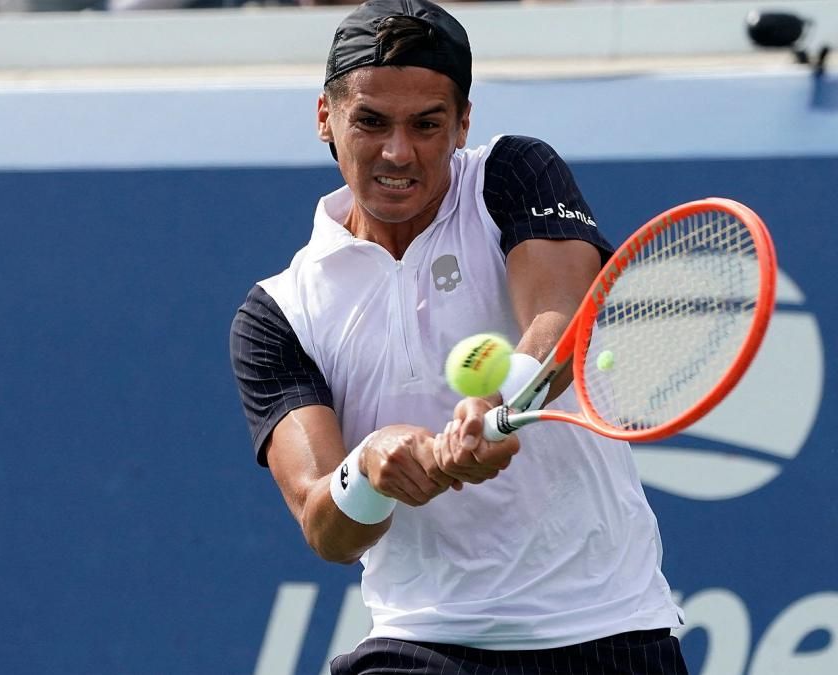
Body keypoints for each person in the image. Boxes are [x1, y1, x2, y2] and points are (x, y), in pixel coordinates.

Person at [230, 0, 688, 671]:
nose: (398, 152)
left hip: (608, 629)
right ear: (325, 116)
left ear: (463, 122)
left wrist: (502, 398)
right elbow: (326, 525)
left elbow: (561, 320)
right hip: (422, 641)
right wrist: (373, 467)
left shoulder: (512, 174)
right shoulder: (280, 313)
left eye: (427, 125)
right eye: (371, 122)